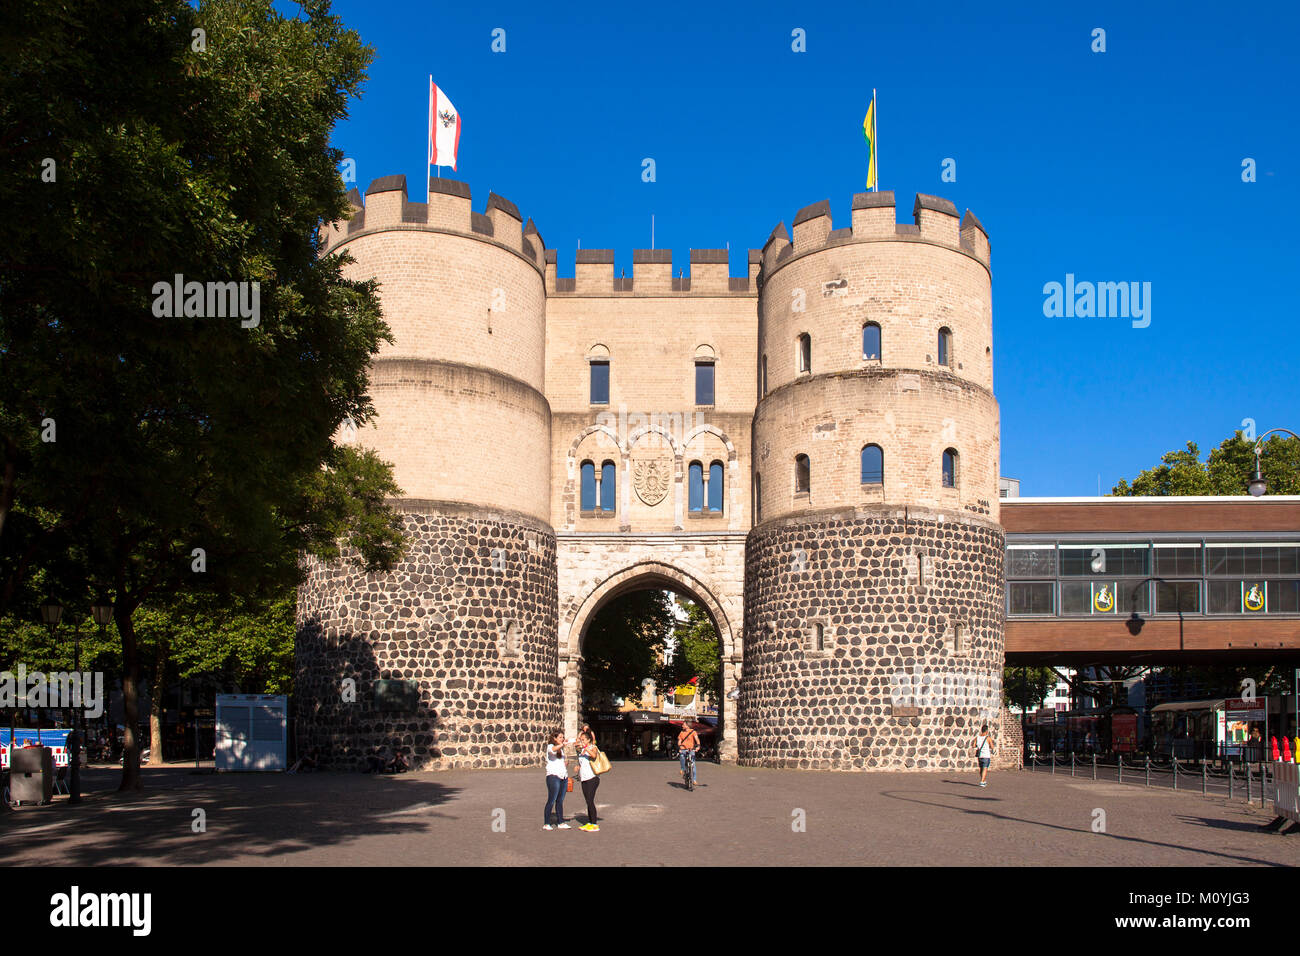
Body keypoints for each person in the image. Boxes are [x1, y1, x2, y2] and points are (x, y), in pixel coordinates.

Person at [543, 728, 571, 830]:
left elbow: (558, 761)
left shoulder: (561, 750)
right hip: (553, 776)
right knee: (552, 799)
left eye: (563, 737)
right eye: (560, 737)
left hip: (563, 776)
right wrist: (562, 744)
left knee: (560, 800)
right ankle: (546, 823)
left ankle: (561, 822)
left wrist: (565, 764)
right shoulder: (551, 746)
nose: (562, 739)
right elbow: (552, 750)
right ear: (554, 738)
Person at [576, 726, 601, 832]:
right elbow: (582, 762)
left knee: (590, 800)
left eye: (583, 740)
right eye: (581, 740)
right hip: (584, 777)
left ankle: (594, 824)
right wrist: (578, 767)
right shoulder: (581, 750)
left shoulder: (592, 747)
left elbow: (594, 756)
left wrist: (586, 748)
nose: (581, 741)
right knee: (587, 800)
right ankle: (590, 822)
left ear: (588, 740)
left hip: (592, 778)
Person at [677, 722, 700, 787]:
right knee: (681, 756)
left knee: (693, 764)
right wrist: (680, 746)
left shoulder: (693, 732)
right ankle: (682, 768)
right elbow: (679, 740)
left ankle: (694, 780)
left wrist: (698, 746)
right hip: (683, 748)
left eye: (683, 725)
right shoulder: (681, 732)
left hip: (691, 749)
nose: (682, 726)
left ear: (687, 725)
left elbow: (697, 739)